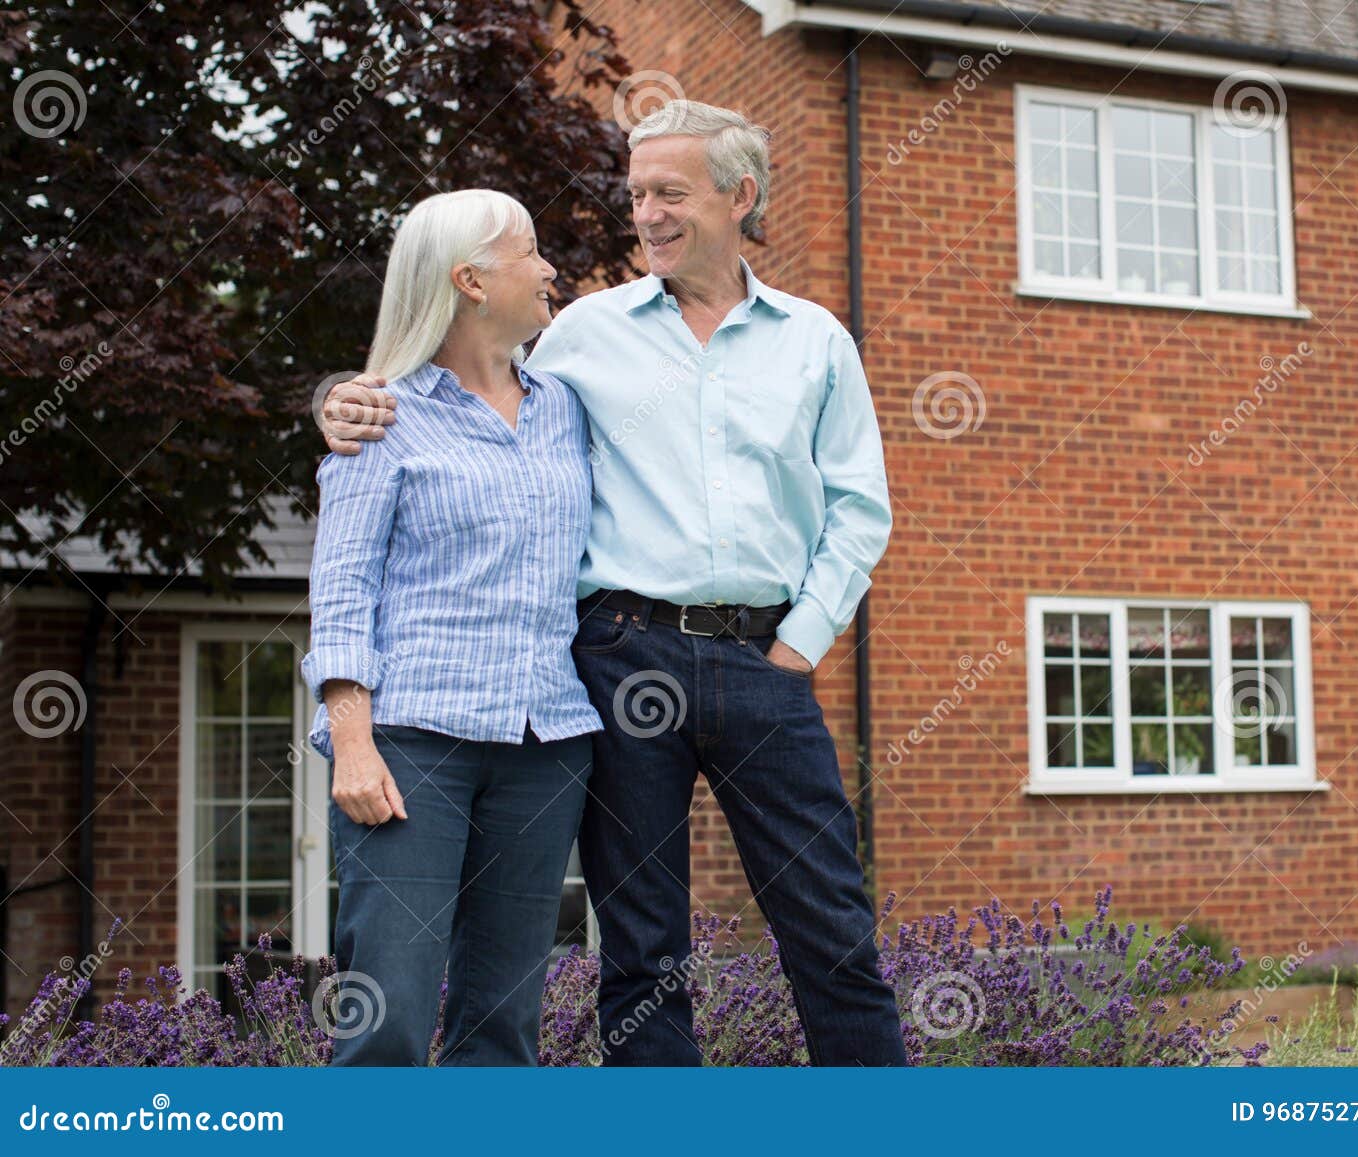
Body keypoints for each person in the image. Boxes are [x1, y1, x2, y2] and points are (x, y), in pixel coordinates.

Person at [321, 101, 907, 1066]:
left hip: (765, 659)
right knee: (640, 943)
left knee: (832, 924)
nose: (647, 214)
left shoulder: (816, 341)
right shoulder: (582, 335)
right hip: (621, 657)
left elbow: (859, 508)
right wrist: (344, 401)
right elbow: (455, 391)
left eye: (669, 192)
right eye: (636, 195)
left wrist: (799, 643)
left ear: (738, 196)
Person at [303, 188, 600, 1066]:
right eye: (532, 253)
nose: (551, 270)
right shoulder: (384, 415)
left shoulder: (567, 408)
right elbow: (343, 588)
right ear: (470, 280)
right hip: (412, 746)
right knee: (386, 1013)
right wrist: (351, 742)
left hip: (546, 742)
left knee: (503, 1021)